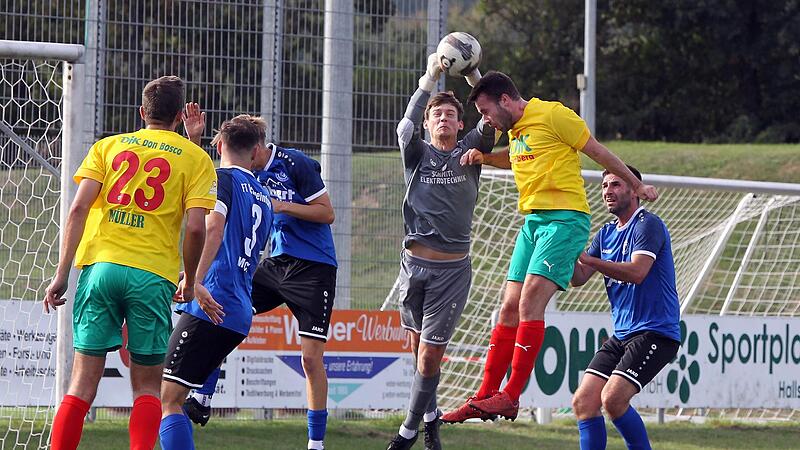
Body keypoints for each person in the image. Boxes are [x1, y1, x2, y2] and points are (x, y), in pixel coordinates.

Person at [442, 71, 659, 423]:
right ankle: (484, 394)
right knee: (508, 306)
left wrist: (637, 184)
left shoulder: (554, 114)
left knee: (529, 301)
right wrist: (485, 158)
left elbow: (597, 151)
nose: (485, 121)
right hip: (533, 223)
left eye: (486, 112)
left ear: (506, 101)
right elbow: (515, 158)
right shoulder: (514, 129)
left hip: (565, 219)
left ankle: (510, 397)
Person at [43, 76, 217, 450]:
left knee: (81, 386)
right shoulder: (195, 158)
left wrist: (61, 273)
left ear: (142, 112)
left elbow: (78, 208)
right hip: (151, 275)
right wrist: (189, 278)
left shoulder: (108, 147)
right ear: (178, 116)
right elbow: (197, 228)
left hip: (101, 269)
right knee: (147, 389)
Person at [185, 118, 337, 450]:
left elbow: (327, 213)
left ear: (255, 148)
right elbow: (209, 187)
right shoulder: (245, 176)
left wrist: (282, 205)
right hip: (276, 263)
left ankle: (316, 443)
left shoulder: (294, 163)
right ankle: (202, 396)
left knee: (310, 359)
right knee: (223, 310)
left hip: (315, 267)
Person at [386, 55, 496, 450]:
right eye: (438, 116)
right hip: (412, 268)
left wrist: (474, 75)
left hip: (451, 275)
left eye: (451, 114)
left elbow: (495, 117)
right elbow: (403, 127)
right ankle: (431, 419)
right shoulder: (417, 155)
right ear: (429, 124)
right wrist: (430, 78)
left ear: (461, 123)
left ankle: (408, 431)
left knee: (430, 358)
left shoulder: (470, 151)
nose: (445, 120)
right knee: (418, 354)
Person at [158, 115, 272, 449]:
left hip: (212, 302)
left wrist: (194, 280)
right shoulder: (264, 198)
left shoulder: (222, 180)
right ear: (255, 153)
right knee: (176, 397)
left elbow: (214, 227)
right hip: (237, 310)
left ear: (220, 145)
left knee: (168, 398)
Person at [570, 166, 680, 450]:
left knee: (613, 399)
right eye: (605, 186)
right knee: (583, 401)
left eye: (616, 185)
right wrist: (563, 248)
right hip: (623, 335)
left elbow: (637, 272)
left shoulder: (647, 224)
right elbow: (579, 278)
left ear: (634, 190)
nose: (608, 191)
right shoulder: (606, 232)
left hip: (655, 333)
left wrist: (591, 261)